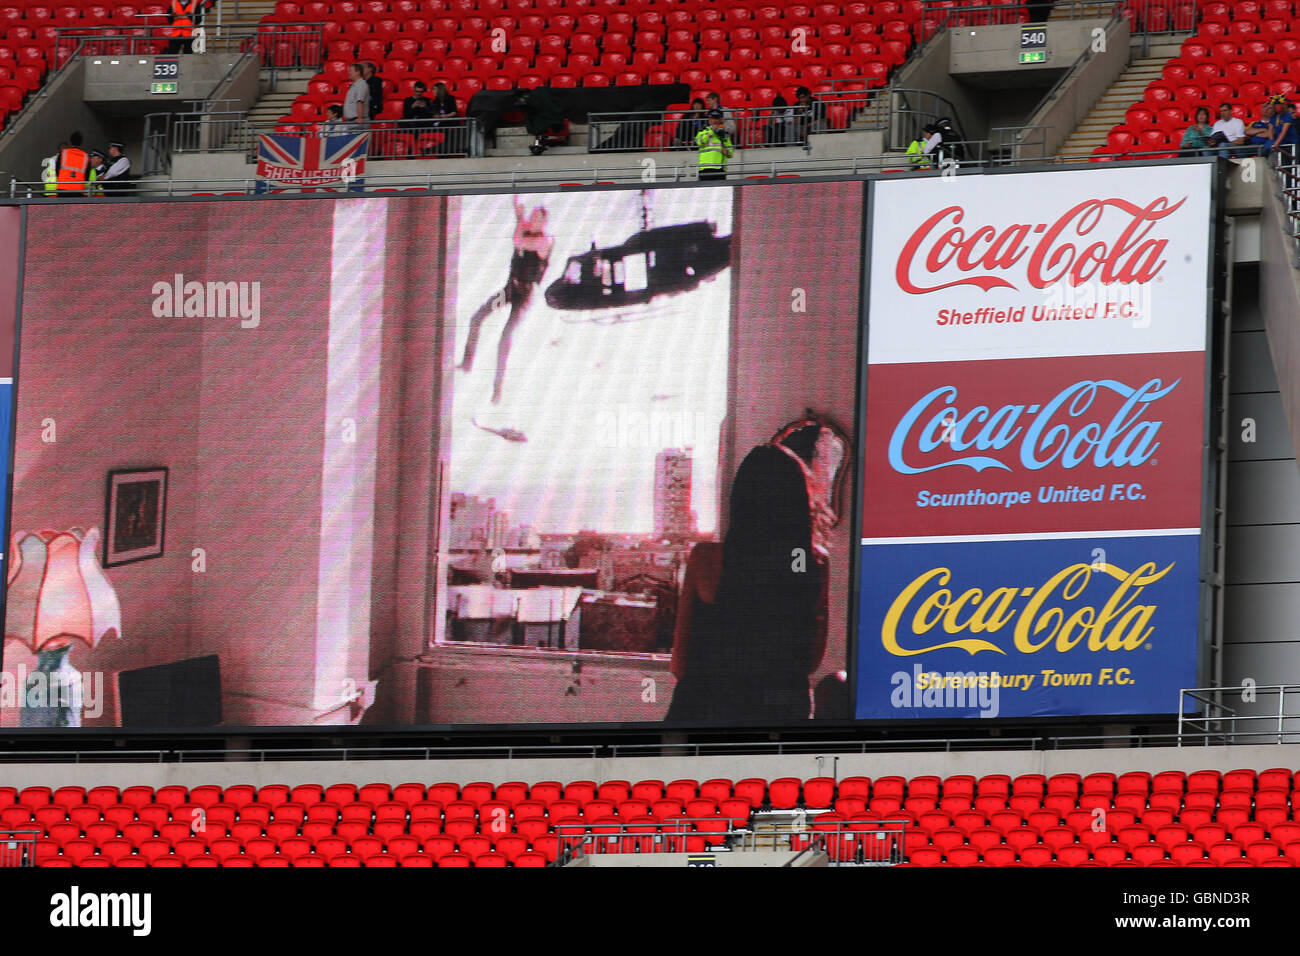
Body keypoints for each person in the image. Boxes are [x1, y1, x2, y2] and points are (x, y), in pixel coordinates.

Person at [665, 443, 826, 723]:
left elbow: (680, 663)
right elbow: (809, 660)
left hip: (705, 707)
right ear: (798, 500)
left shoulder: (707, 559)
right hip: (779, 708)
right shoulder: (811, 562)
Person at [458, 198, 554, 405]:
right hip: (509, 290)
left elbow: (519, 242)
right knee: (477, 317)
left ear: (544, 223)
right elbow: (518, 225)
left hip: (524, 296)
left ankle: (497, 390)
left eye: (537, 218)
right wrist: (518, 212)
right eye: (532, 216)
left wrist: (520, 219)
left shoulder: (544, 241)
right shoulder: (524, 227)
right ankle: (467, 363)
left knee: (505, 338)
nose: (532, 220)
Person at [695, 108, 734, 181]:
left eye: (717, 118)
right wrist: (711, 132)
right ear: (709, 120)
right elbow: (699, 142)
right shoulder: (703, 131)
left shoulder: (725, 134)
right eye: (713, 118)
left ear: (720, 120)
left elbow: (731, 153)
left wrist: (727, 152)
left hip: (720, 169)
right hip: (705, 168)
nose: (715, 120)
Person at [54, 132, 90, 197]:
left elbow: (57, 170)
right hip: (78, 190)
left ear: (70, 142)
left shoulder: (63, 153)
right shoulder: (86, 157)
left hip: (63, 188)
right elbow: (87, 176)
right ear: (81, 143)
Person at [430, 82, 459, 153]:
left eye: (434, 89)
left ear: (439, 90)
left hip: (449, 121)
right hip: (440, 122)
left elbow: (454, 112)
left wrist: (444, 116)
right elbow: (433, 113)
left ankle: (444, 149)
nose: (433, 91)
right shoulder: (435, 101)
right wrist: (435, 115)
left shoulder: (450, 98)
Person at [342, 63, 369, 127]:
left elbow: (360, 101)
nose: (349, 73)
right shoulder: (354, 85)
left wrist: (360, 118)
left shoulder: (361, 84)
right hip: (352, 122)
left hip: (357, 122)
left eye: (351, 71)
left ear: (358, 72)